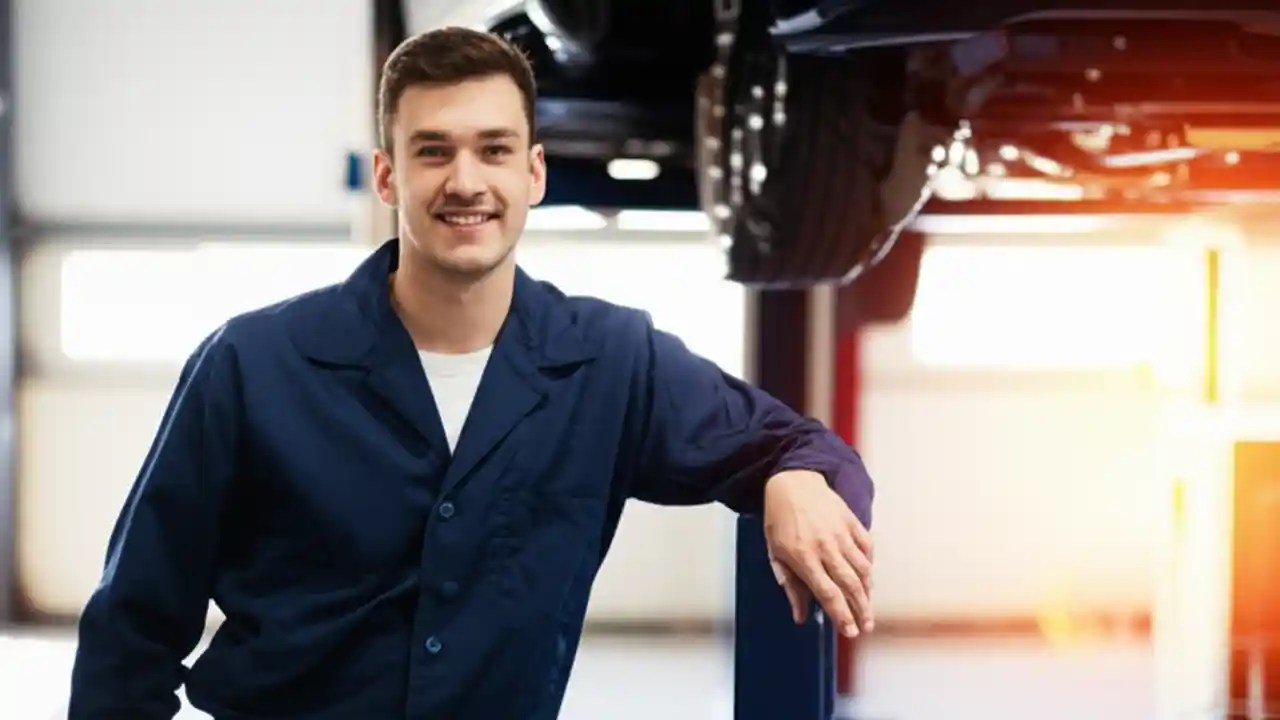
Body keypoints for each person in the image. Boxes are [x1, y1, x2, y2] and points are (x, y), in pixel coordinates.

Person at [68, 26, 875, 720]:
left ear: (534, 174)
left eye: (493, 150)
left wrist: (794, 476)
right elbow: (132, 629)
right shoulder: (251, 365)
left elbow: (796, 444)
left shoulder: (608, 361)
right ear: (388, 178)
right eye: (433, 152)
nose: (465, 182)